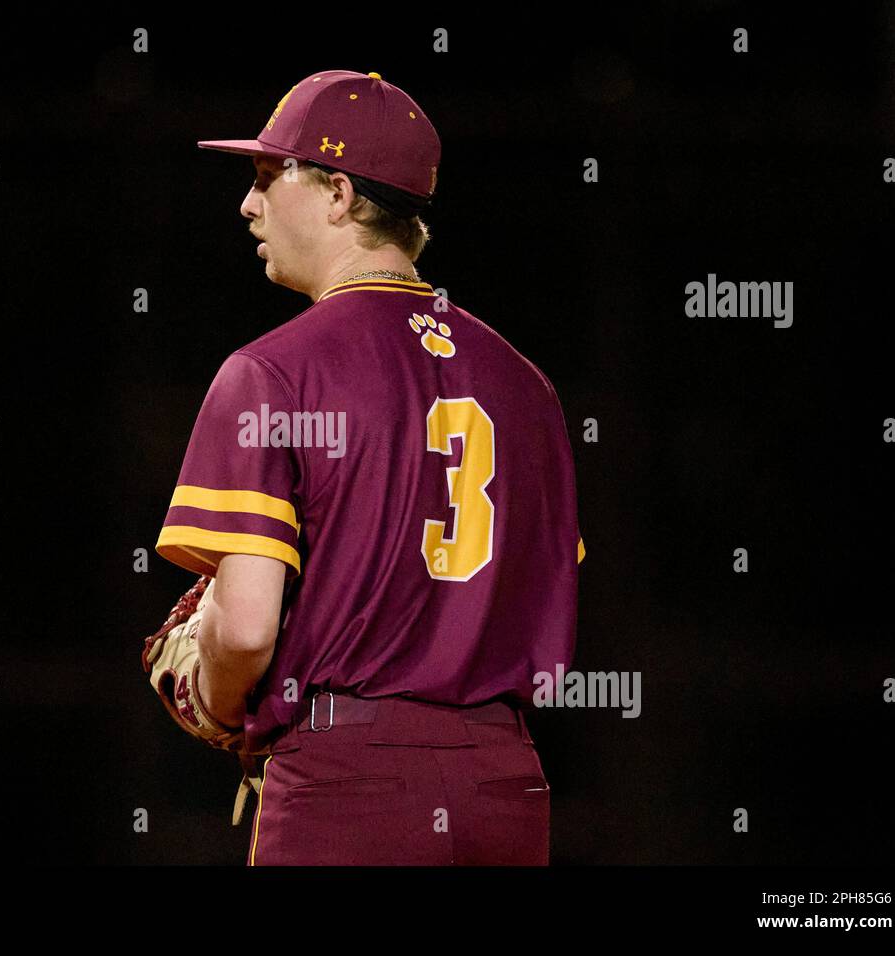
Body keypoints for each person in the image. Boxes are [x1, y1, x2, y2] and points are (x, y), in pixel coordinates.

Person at [154, 69, 583, 865]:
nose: (248, 204)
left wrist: (213, 700)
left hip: (348, 784)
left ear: (339, 193)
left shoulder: (272, 371)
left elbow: (245, 629)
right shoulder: (528, 385)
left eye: (265, 175)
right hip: (506, 785)